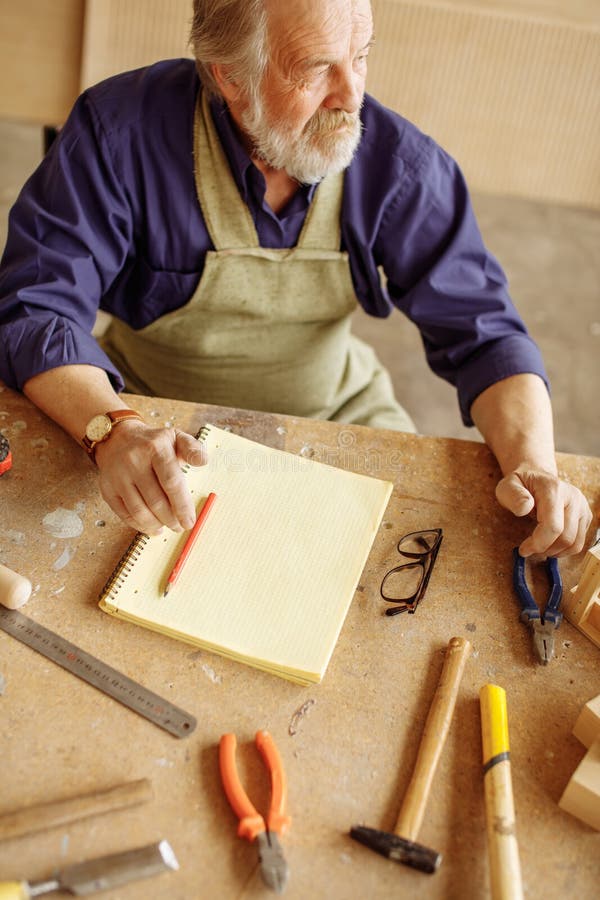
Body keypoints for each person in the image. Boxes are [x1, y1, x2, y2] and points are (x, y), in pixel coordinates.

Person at [0, 0, 592, 554]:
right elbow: (35, 309)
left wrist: (533, 463)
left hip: (334, 410)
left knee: (398, 558)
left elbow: (486, 335)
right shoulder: (120, 134)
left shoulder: (399, 164)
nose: (352, 95)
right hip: (152, 412)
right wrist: (111, 428)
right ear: (231, 76)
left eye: (360, 56)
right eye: (317, 68)